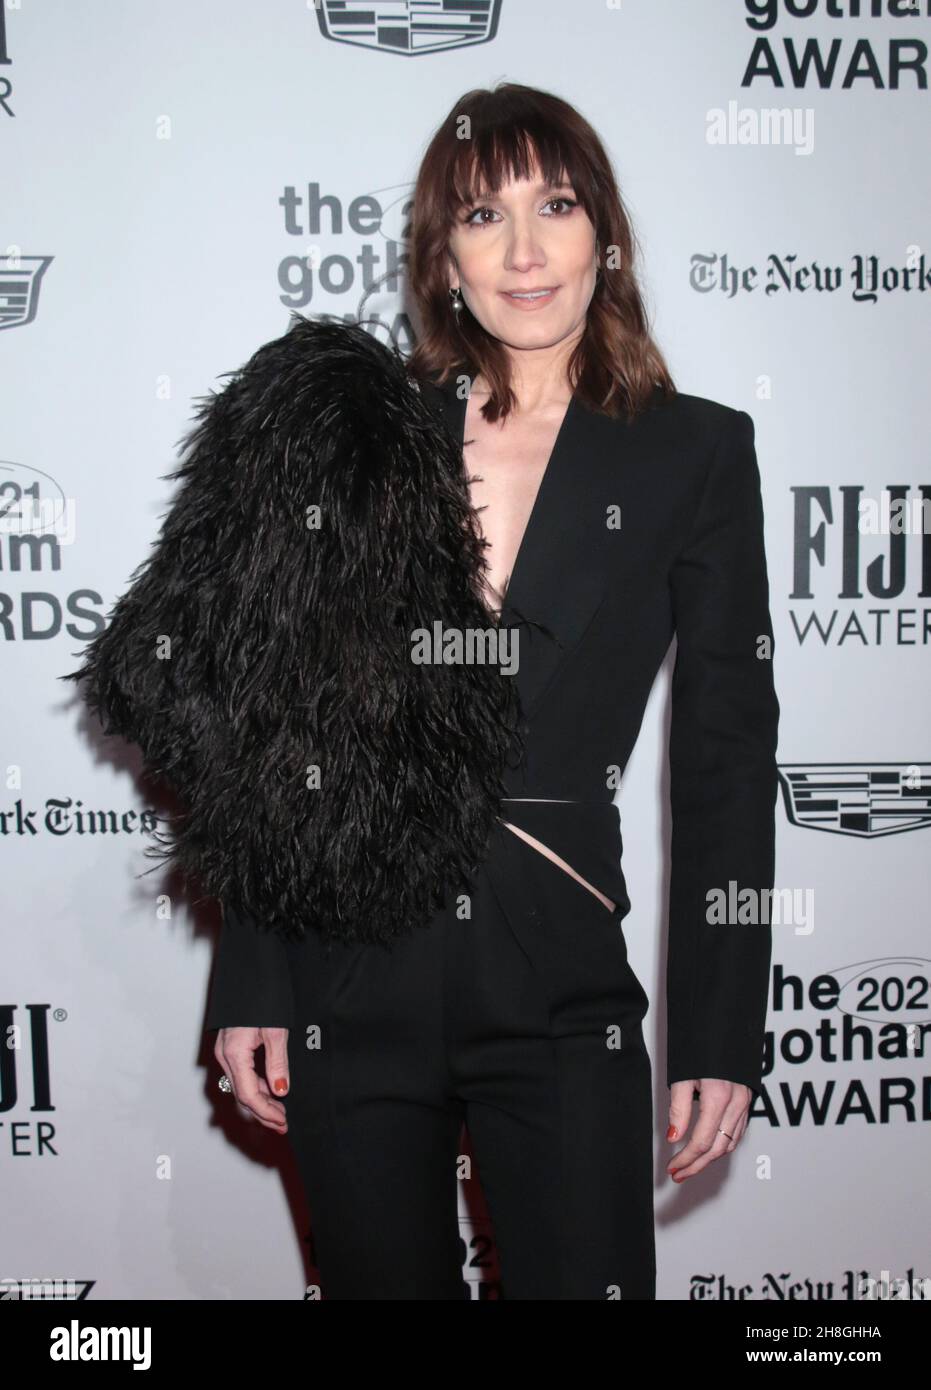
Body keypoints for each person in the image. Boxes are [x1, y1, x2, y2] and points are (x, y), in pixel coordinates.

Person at [188, 83, 782, 1299]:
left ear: (600, 238)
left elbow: (723, 752)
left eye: (554, 206)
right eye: (481, 213)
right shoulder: (363, 436)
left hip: (557, 968)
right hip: (350, 962)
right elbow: (274, 710)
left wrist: (720, 1030)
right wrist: (253, 972)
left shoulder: (692, 451)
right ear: (440, 254)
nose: (522, 249)